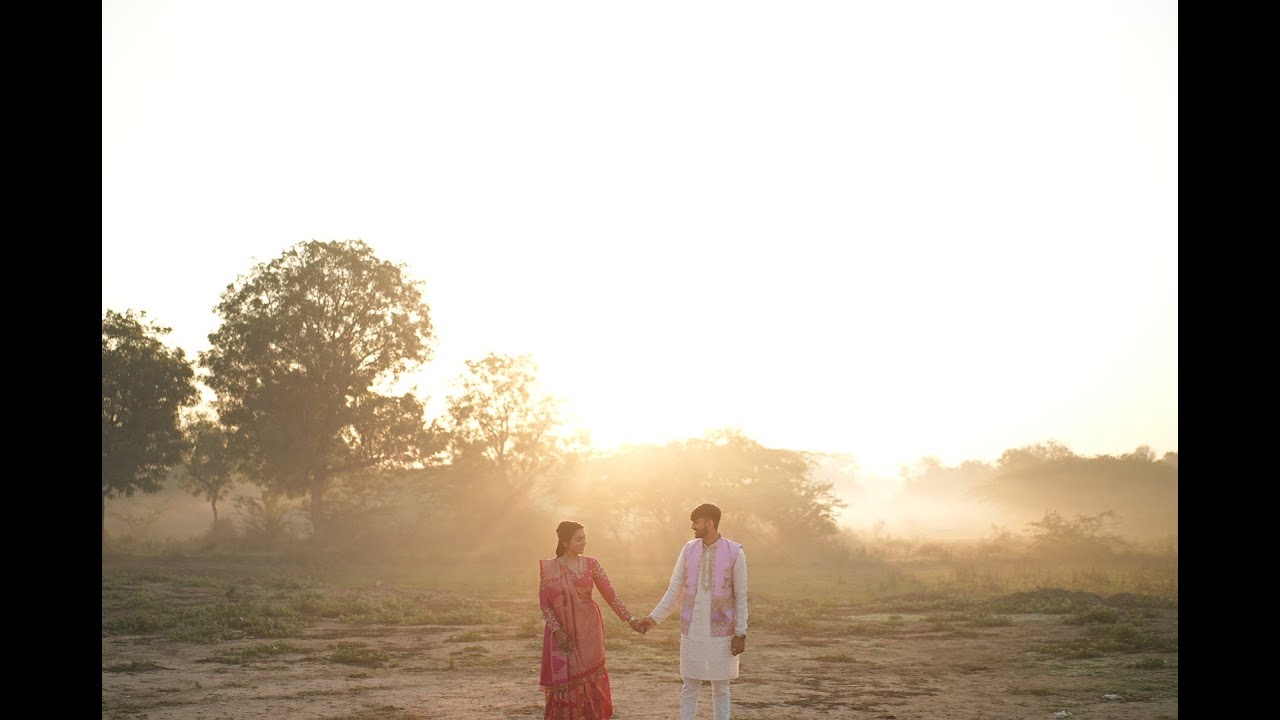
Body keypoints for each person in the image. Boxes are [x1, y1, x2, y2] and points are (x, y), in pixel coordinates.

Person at [635, 503, 749, 720]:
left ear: (710, 523)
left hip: (722, 631)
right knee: (690, 685)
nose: (693, 526)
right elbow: (675, 589)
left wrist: (740, 633)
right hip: (693, 629)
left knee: (721, 686)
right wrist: (653, 619)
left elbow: (741, 596)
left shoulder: (735, 552)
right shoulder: (688, 550)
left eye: (696, 522)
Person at [539, 520, 642, 720]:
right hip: (563, 631)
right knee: (567, 676)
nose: (583, 543)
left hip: (590, 629)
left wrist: (629, 618)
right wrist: (557, 631)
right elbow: (545, 604)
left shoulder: (592, 564)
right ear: (564, 541)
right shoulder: (550, 568)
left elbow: (610, 595)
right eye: (578, 539)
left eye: (584, 538)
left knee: (590, 676)